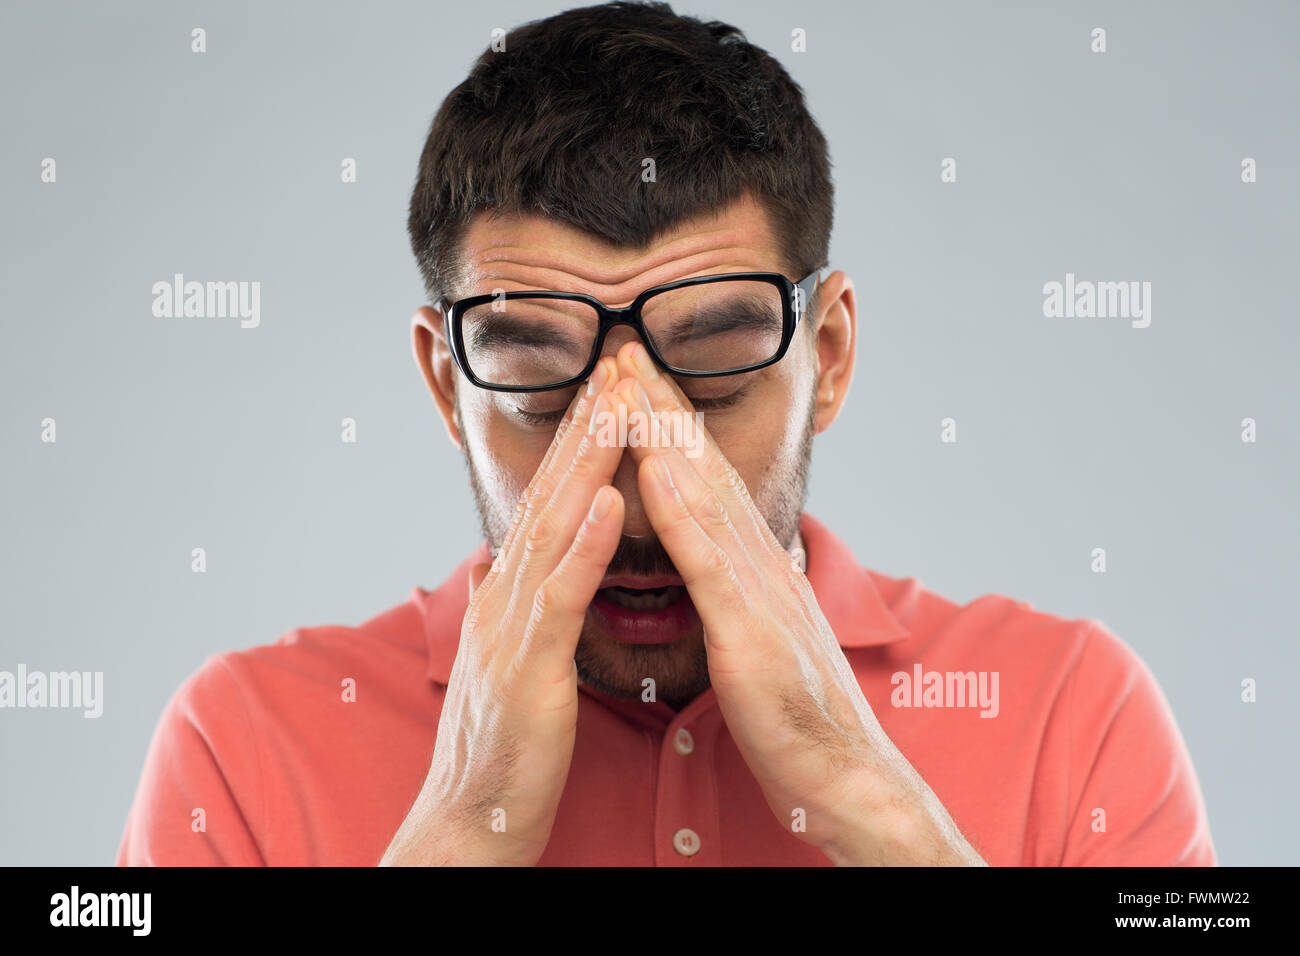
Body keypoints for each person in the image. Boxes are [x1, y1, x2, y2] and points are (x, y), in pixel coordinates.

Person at [118, 1, 1215, 866]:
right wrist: (464, 824)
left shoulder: (1077, 710)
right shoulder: (240, 742)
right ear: (447, 385)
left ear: (826, 354)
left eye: (713, 368)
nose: (641, 490)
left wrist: (867, 800)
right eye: (542, 382)